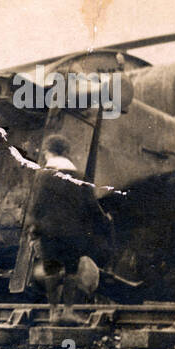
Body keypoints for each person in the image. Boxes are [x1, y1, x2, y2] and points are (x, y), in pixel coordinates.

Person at [28, 134, 108, 323]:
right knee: (72, 270)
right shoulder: (79, 176)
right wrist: (104, 222)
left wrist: (33, 231)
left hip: (50, 233)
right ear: (66, 152)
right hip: (74, 234)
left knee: (51, 270)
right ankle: (69, 311)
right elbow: (92, 207)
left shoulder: (42, 176)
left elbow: (36, 207)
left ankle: (53, 312)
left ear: (48, 151)